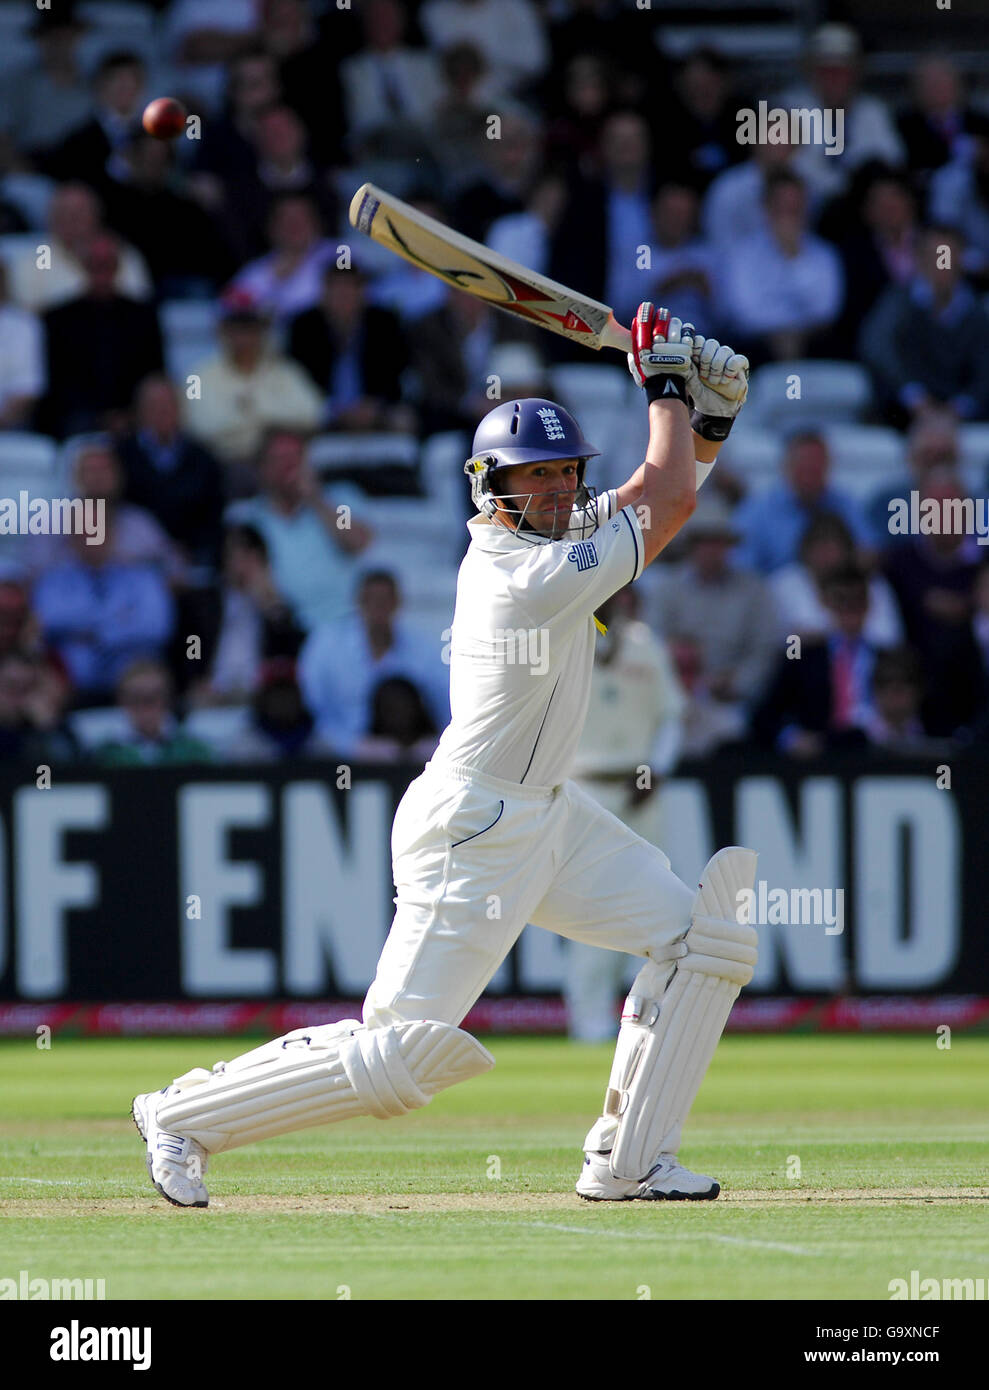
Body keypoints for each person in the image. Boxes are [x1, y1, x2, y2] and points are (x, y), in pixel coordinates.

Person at [133, 305, 760, 1210]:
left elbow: (648, 494)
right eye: (530, 480)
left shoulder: (562, 542)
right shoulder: (523, 575)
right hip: (474, 826)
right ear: (489, 489)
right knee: (400, 1054)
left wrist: (709, 419)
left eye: (561, 479)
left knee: (702, 937)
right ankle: (182, 1114)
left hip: (550, 813)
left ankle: (628, 1162)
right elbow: (667, 503)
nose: (551, 494)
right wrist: (665, 384)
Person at [564, 585, 686, 1042]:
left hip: (639, 786)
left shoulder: (644, 643)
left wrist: (658, 768)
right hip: (585, 785)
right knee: (590, 906)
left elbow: (671, 715)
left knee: (656, 901)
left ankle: (651, 1018)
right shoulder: (564, 640)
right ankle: (590, 1021)